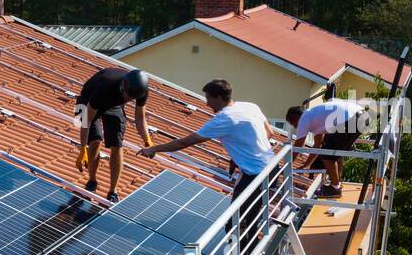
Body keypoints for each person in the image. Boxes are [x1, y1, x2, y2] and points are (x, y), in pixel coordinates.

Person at [141, 79, 279, 201]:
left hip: (255, 176)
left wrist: (153, 148)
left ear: (218, 97)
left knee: (236, 222)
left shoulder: (224, 119)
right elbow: (270, 133)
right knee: (251, 216)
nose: (207, 104)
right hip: (273, 167)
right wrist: (243, 154)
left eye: (209, 99)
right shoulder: (250, 106)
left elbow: (184, 142)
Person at [74, 68, 152, 203]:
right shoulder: (104, 87)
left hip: (113, 104)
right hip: (87, 103)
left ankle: (113, 191)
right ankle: (92, 182)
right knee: (95, 141)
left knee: (117, 145)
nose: (128, 99)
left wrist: (147, 139)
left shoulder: (142, 91)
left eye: (132, 98)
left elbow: (140, 118)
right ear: (123, 85)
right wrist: (82, 148)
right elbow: (87, 120)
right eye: (128, 95)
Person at [285, 96, 365, 198]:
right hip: (362, 117)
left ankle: (335, 188)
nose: (295, 127)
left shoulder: (304, 118)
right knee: (335, 152)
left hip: (352, 119)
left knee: (328, 153)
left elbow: (299, 145)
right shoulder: (314, 117)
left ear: (295, 118)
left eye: (293, 124)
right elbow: (318, 145)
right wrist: (306, 165)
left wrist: (287, 165)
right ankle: (337, 184)